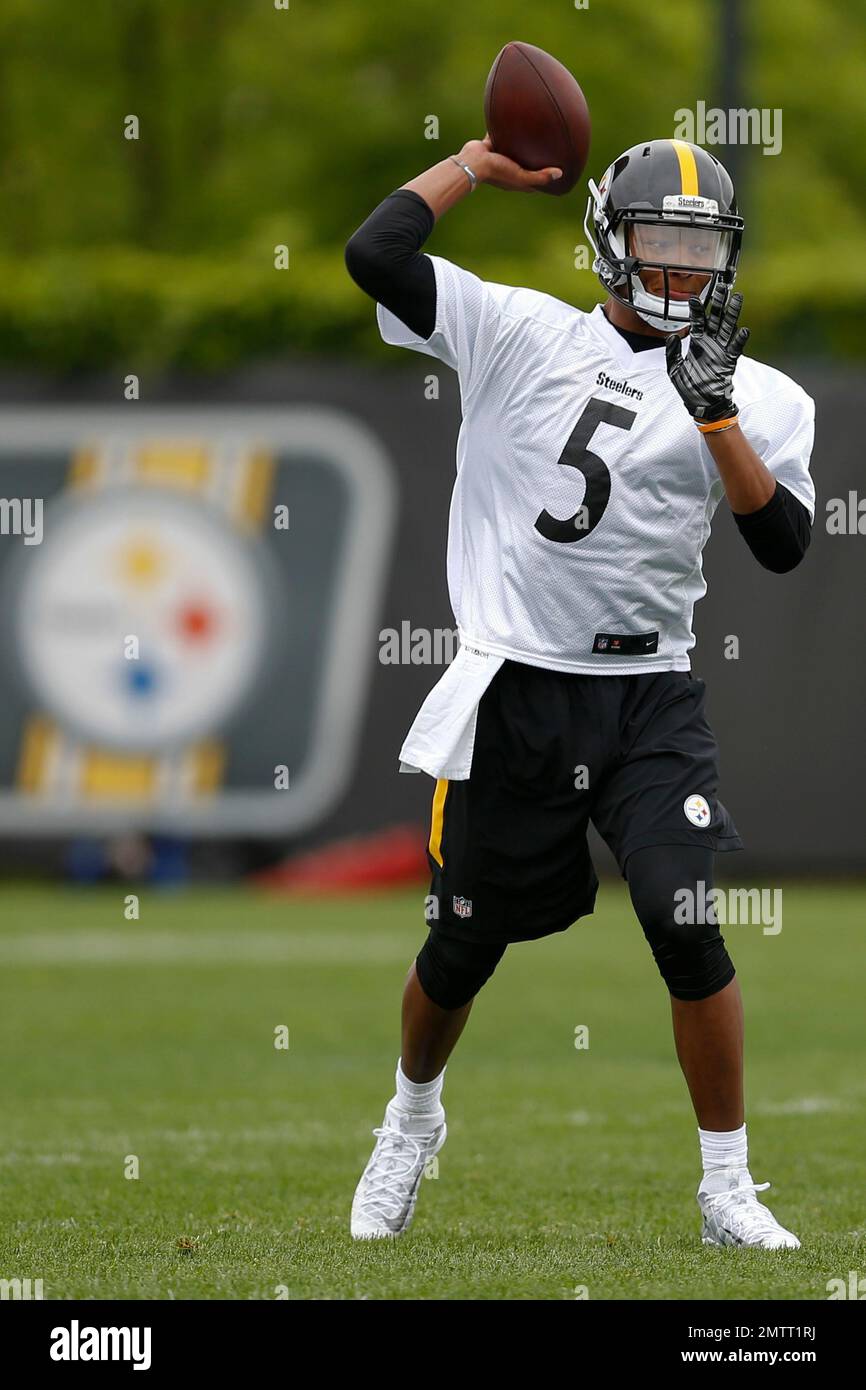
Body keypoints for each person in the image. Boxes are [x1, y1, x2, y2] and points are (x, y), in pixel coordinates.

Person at [344, 136, 814, 1248]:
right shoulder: (518, 331)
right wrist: (468, 165)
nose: (678, 269)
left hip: (648, 690)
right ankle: (410, 1119)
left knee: (681, 916)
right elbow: (375, 253)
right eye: (658, 240)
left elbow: (785, 543)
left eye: (700, 249)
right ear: (609, 240)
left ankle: (726, 1187)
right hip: (519, 686)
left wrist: (715, 419)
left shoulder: (754, 391)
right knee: (460, 945)